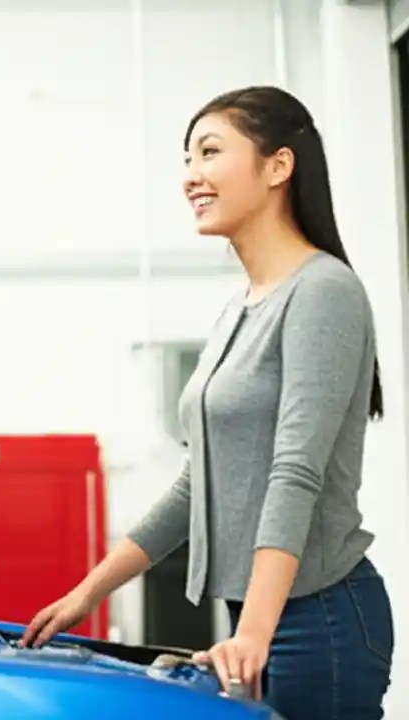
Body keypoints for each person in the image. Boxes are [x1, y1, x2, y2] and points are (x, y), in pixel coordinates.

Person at [20, 86, 396, 718]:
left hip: (319, 617)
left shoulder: (324, 291)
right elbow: (199, 482)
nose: (191, 176)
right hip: (259, 613)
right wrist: (89, 593)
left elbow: (295, 470)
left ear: (278, 166)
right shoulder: (238, 307)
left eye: (210, 152)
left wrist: (257, 631)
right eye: (187, 159)